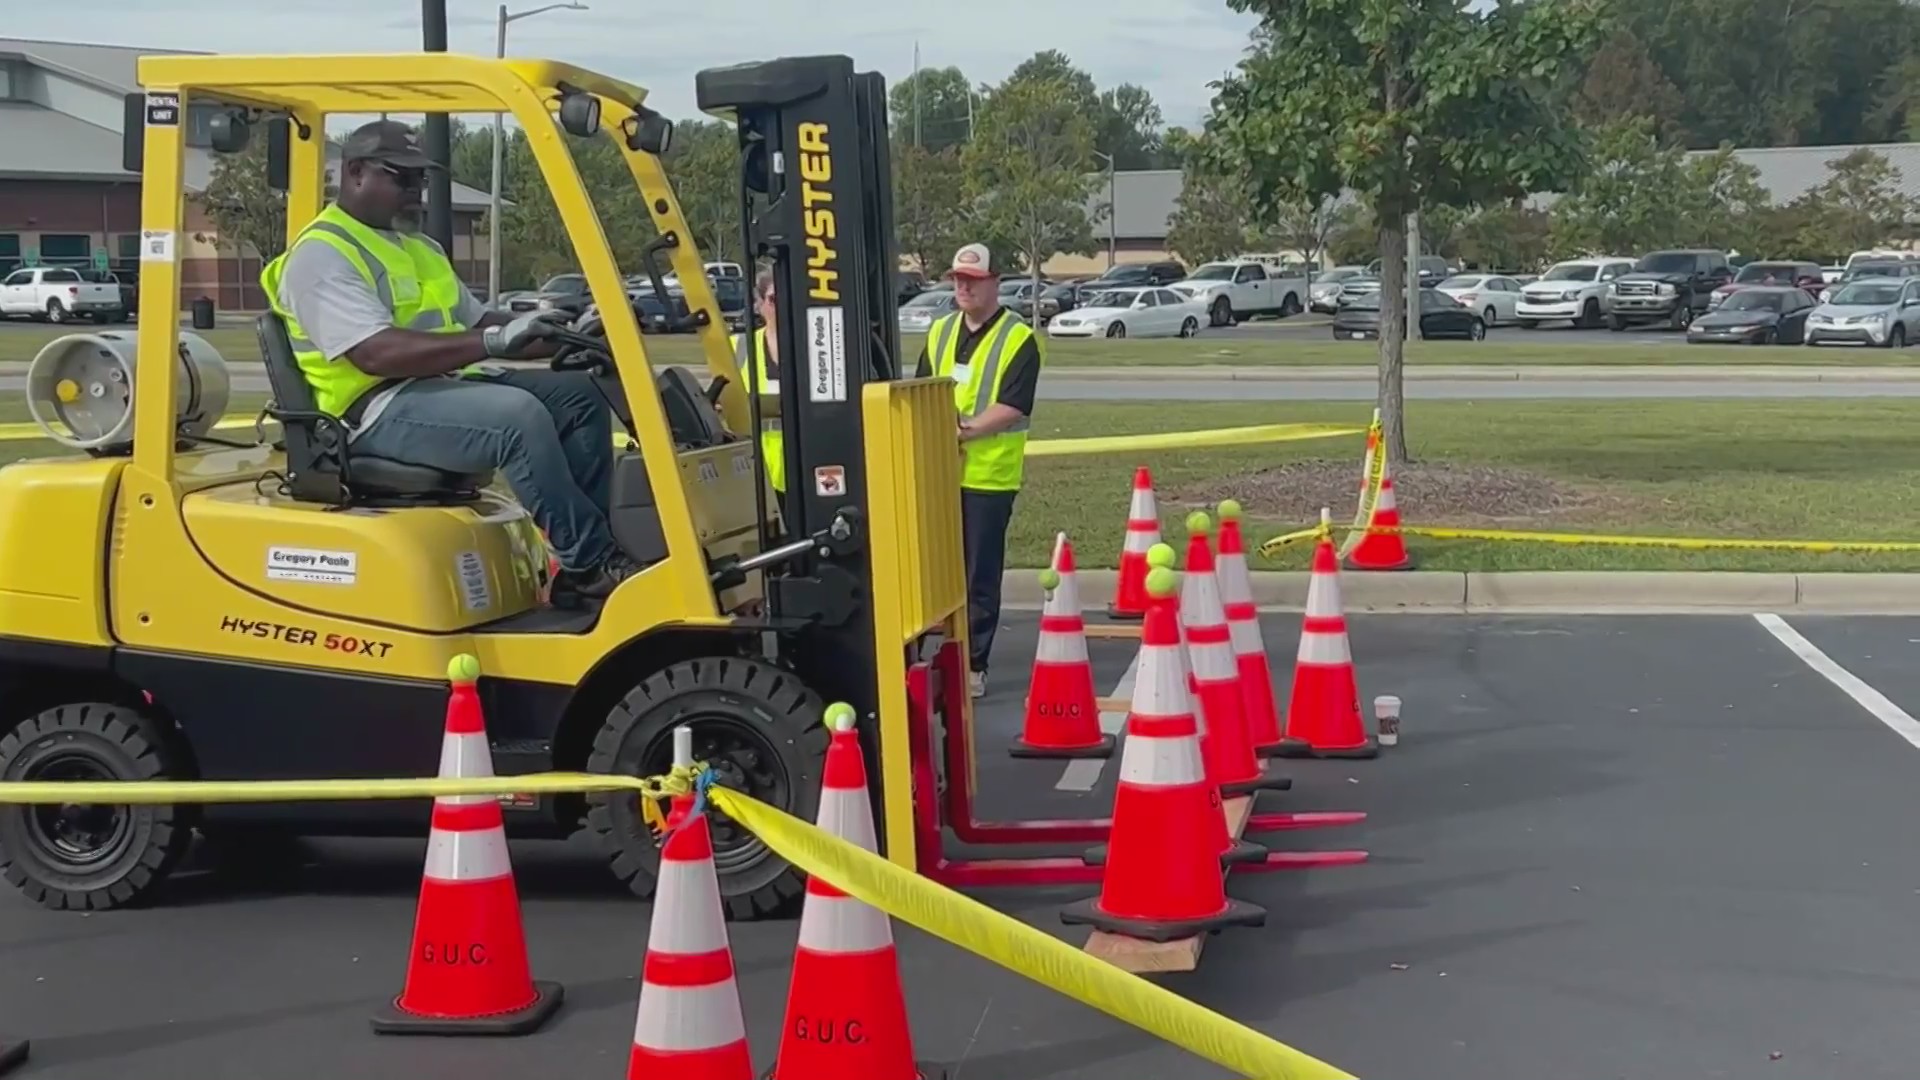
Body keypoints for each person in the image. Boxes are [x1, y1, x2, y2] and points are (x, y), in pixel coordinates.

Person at [259, 119, 635, 600]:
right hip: (367, 412)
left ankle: (598, 556)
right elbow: (376, 352)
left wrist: (568, 334)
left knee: (580, 395)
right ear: (354, 172)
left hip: (435, 389)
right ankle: (591, 564)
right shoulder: (321, 255)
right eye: (402, 177)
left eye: (422, 179)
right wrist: (495, 343)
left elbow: (478, 323)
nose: (416, 190)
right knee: (516, 418)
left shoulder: (418, 247)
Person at [915, 243, 1042, 698]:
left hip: (988, 476)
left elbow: (1012, 406)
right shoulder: (941, 331)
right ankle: (940, 654)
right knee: (936, 570)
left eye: (972, 279)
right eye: (957, 279)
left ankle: (973, 665)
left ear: (995, 282)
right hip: (941, 473)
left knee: (977, 575)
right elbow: (922, 391)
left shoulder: (1017, 337)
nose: (963, 287)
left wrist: (962, 431)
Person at [730, 269, 785, 494]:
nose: (782, 307)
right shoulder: (737, 347)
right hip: (754, 466)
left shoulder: (818, 346)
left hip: (803, 463)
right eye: (774, 299)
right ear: (760, 304)